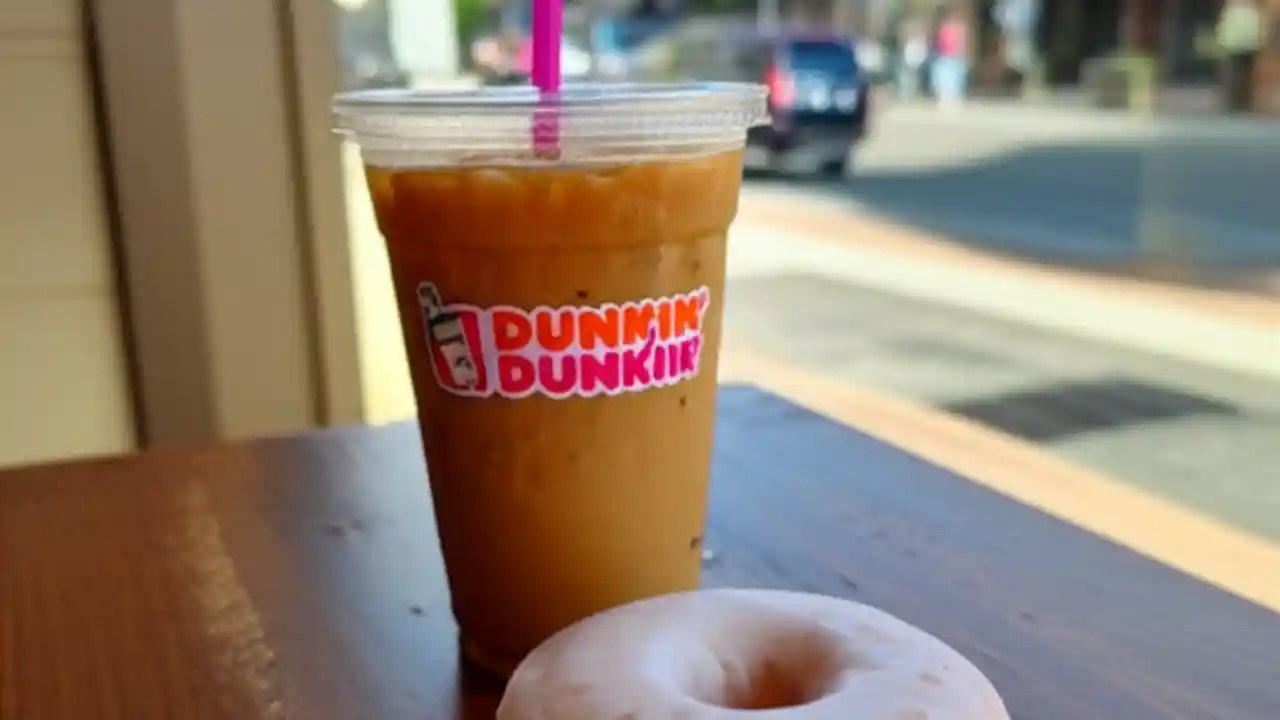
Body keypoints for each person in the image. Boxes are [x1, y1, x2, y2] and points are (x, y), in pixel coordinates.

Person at [1216, 0, 1263, 113]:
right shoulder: (1246, 9)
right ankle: (1238, 102)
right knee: (1239, 73)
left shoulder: (1241, 9)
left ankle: (1238, 102)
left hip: (1240, 39)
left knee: (1239, 73)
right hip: (1241, 39)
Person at [931, 8, 969, 110]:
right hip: (945, 56)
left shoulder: (957, 28)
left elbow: (960, 43)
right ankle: (945, 98)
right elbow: (940, 43)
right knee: (944, 78)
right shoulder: (945, 29)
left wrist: (962, 54)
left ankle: (952, 98)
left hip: (953, 56)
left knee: (953, 78)